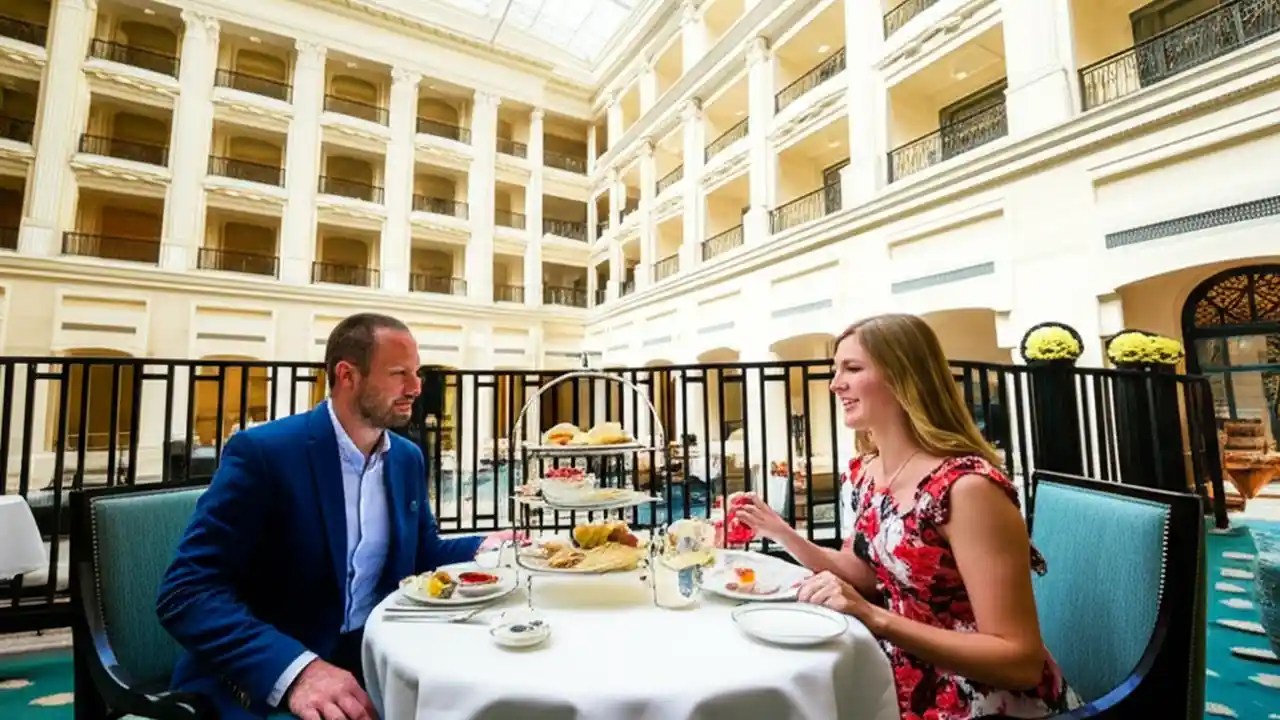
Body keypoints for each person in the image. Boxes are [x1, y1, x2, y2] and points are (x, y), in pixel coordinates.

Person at [156, 313, 511, 720]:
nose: (416, 388)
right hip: (263, 679)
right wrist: (297, 671)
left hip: (369, 657)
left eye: (416, 373)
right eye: (399, 374)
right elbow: (186, 591)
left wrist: (486, 547)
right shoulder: (265, 454)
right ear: (347, 376)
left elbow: (421, 554)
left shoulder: (406, 459)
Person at [734, 313, 1081, 720]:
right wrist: (779, 531)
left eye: (852, 368)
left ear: (904, 378)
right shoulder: (866, 473)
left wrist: (873, 616)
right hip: (895, 680)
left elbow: (1019, 662)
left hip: (978, 701)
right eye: (836, 370)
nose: (835, 384)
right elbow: (865, 574)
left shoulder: (965, 488)